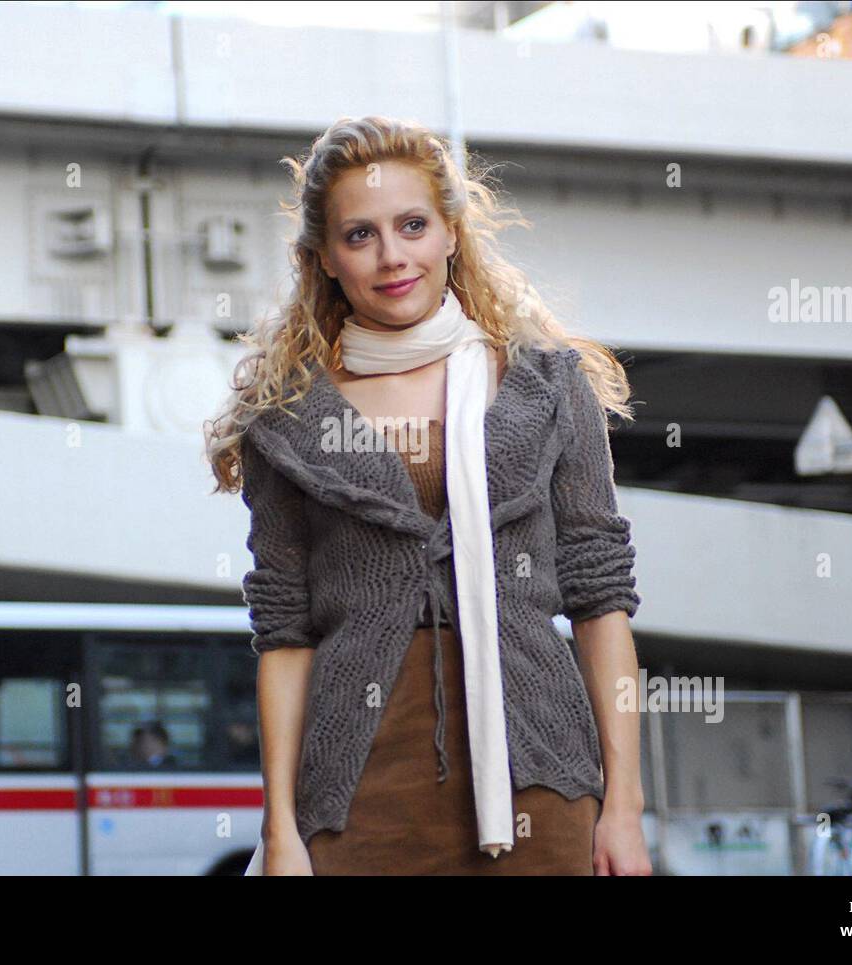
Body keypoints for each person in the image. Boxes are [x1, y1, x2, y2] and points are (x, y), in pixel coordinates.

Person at [205, 115, 651, 876]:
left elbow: (599, 600)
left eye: (412, 225)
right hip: (357, 794)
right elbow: (284, 631)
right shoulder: (287, 418)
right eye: (360, 235)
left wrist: (625, 807)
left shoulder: (545, 383)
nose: (392, 257)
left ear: (450, 231)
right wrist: (279, 825)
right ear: (325, 258)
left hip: (538, 779)